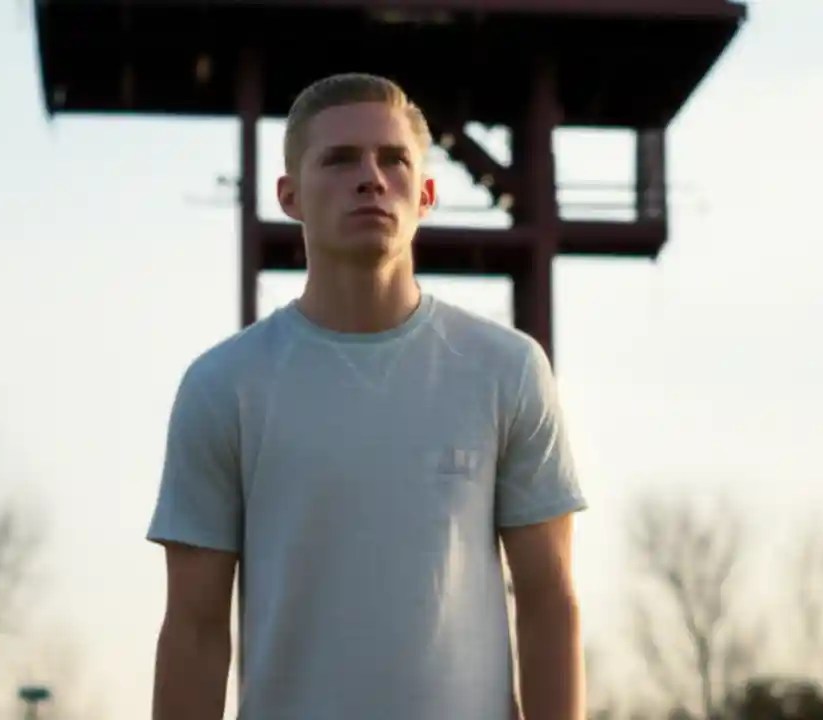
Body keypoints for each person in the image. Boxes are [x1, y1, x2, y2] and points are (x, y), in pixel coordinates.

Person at [147, 72, 588, 720]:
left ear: (427, 193)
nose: (371, 177)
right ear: (289, 195)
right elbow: (194, 627)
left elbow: (549, 603)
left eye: (393, 159)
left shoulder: (507, 370)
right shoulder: (223, 387)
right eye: (340, 159)